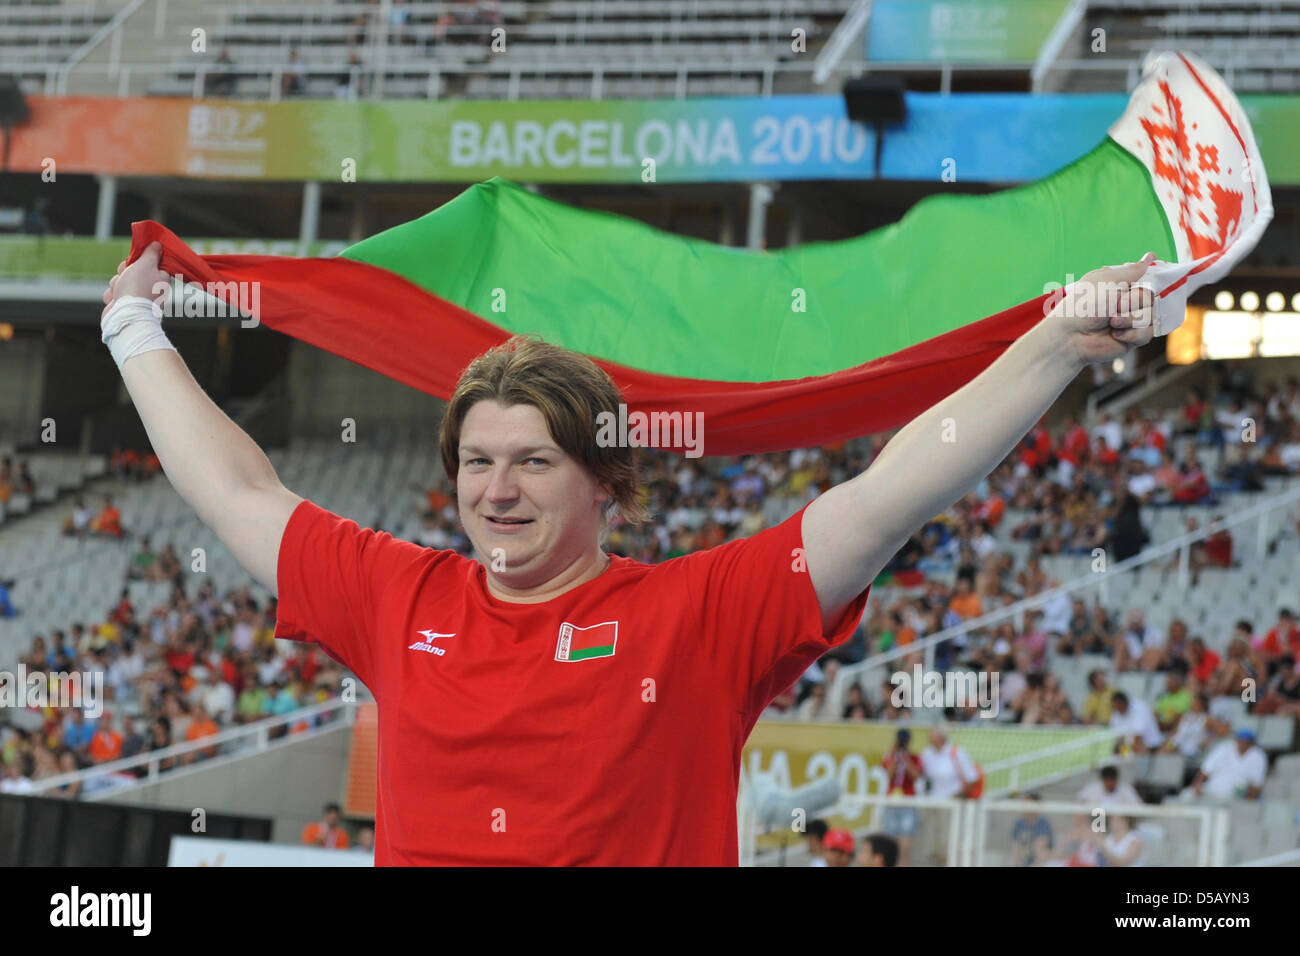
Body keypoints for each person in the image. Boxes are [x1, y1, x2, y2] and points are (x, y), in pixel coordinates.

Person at [100, 242, 1156, 865]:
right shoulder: (394, 591)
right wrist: (134, 332)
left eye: (532, 461)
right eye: (475, 461)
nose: (495, 490)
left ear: (606, 480)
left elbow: (883, 498)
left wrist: (1055, 342)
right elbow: (237, 486)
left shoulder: (700, 613)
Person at [1186, 729, 1267, 801]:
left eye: (1246, 741)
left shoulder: (1258, 756)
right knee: (1188, 795)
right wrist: (1196, 786)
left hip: (1235, 795)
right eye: (1241, 740)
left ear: (1251, 743)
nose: (1242, 743)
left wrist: (1247, 804)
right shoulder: (1224, 748)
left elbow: (1256, 785)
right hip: (1211, 790)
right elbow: (1205, 771)